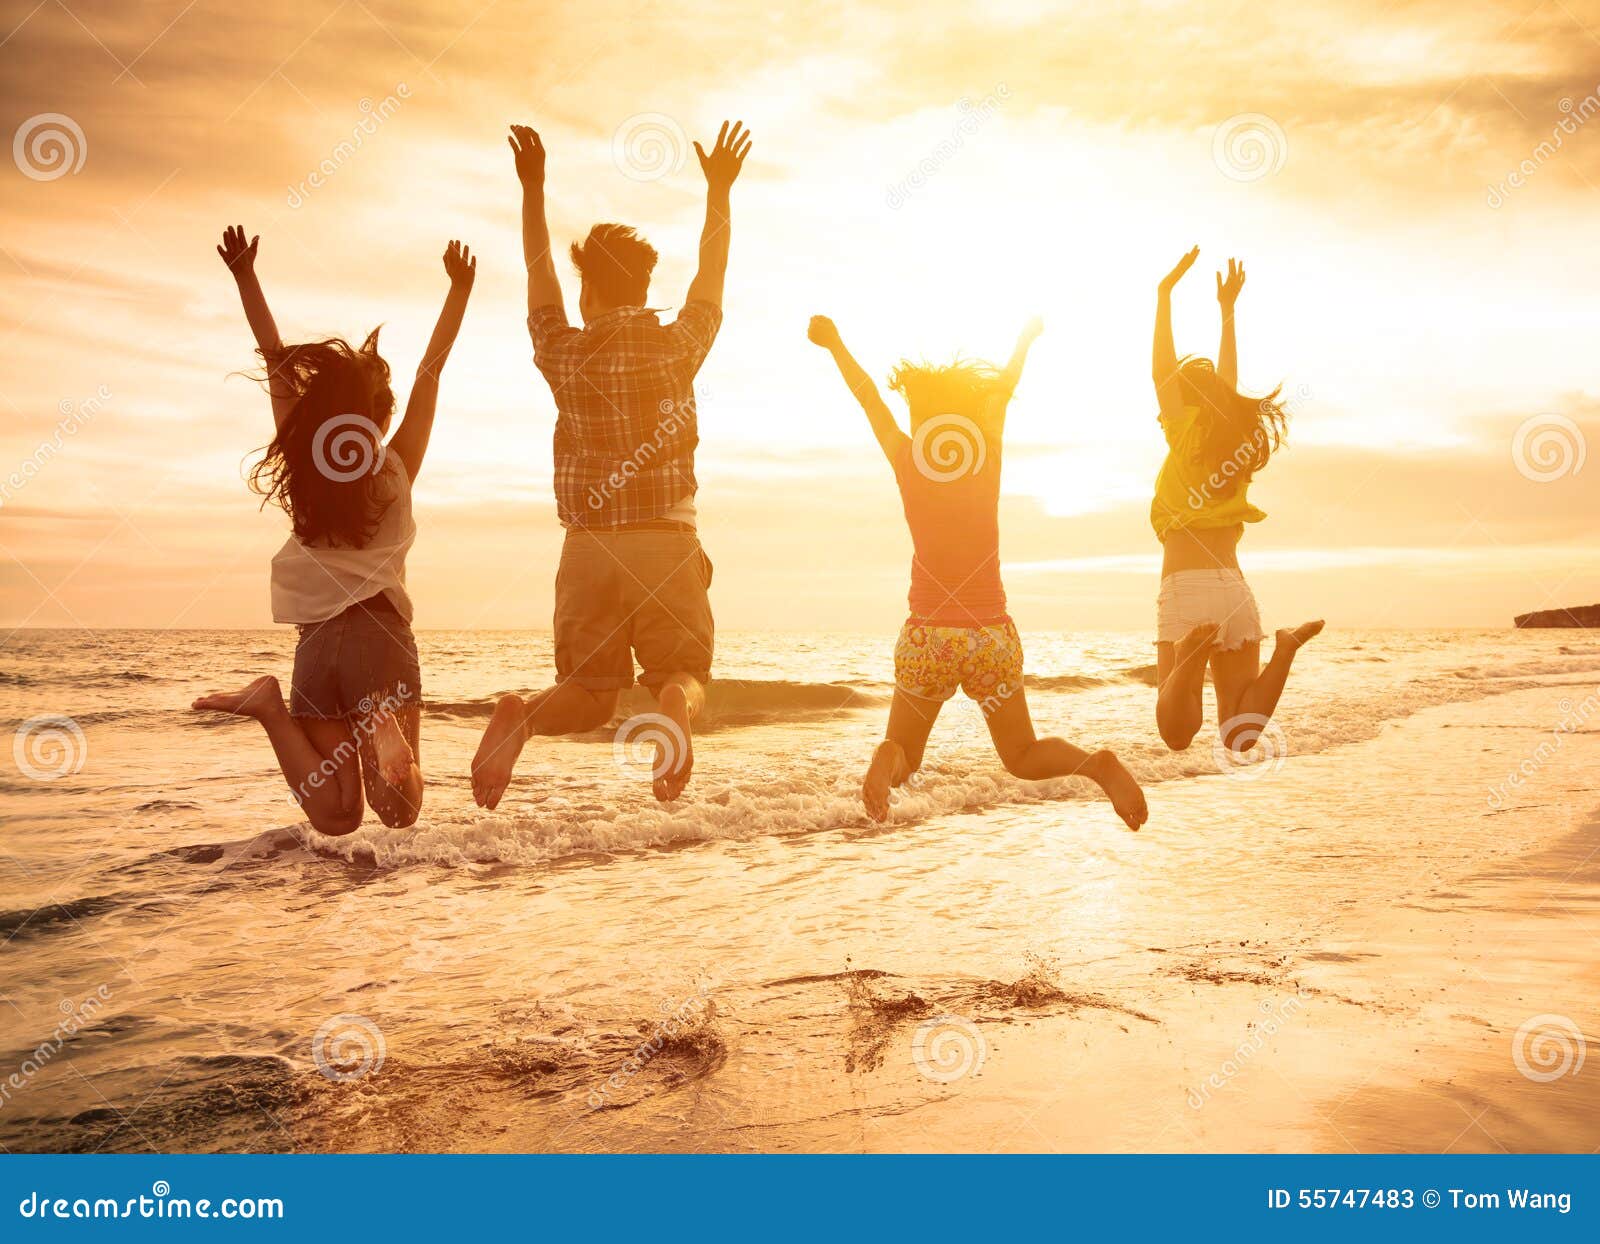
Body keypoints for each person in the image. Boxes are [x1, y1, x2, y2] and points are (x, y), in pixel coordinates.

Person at [471, 121, 752, 810]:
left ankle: (522, 717)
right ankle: (673, 703)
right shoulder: (680, 343)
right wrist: (718, 191)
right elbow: (712, 273)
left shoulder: (561, 350)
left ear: (586, 293)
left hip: (589, 547)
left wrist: (533, 188)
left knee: (590, 696)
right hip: (665, 539)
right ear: (645, 285)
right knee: (684, 671)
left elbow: (538, 272)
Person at [806, 314, 1148, 830]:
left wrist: (834, 344)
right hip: (991, 637)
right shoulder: (986, 452)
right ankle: (1096, 765)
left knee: (906, 755)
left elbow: (869, 398)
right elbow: (1003, 391)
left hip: (928, 638)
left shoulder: (907, 457)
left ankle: (886, 758)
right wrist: (1024, 341)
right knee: (1022, 755)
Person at [192, 225, 476, 834]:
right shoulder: (397, 466)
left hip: (318, 646)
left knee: (336, 815)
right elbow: (430, 373)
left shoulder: (305, 466)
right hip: (380, 633)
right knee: (397, 810)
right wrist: (459, 292)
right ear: (382, 417)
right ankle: (382, 725)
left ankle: (269, 709)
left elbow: (275, 360)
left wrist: (245, 277)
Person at [1149, 248, 1323, 756]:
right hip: (1235, 592)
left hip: (1185, 586)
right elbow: (1227, 384)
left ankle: (1189, 655)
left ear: (1184, 401)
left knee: (1176, 735)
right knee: (1239, 734)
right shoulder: (1237, 446)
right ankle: (1285, 649)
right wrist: (1227, 311)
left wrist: (1164, 295)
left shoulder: (1185, 435)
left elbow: (1161, 371)